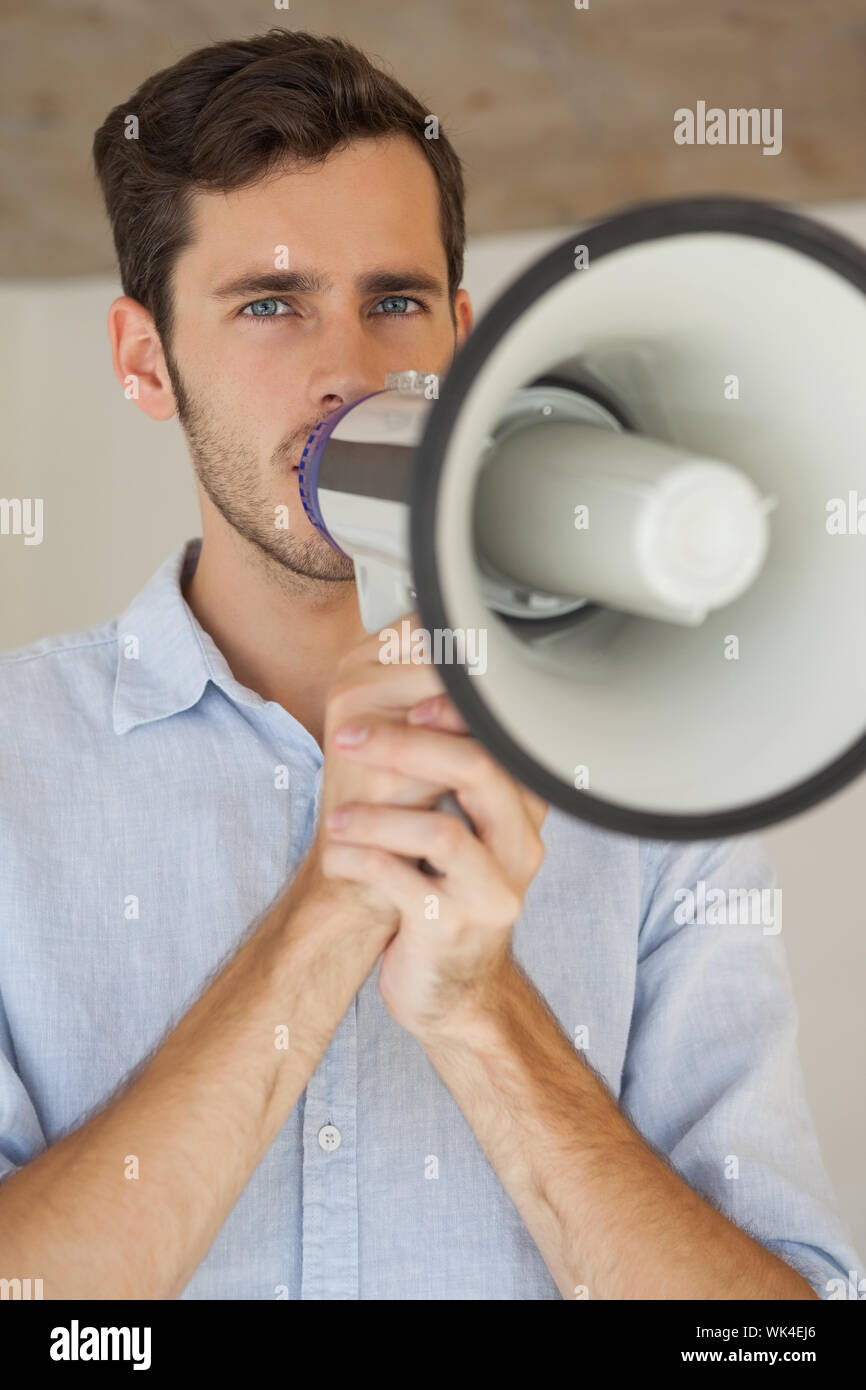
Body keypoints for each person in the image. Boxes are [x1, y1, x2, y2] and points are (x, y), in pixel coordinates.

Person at [0, 28, 859, 1301]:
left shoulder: (652, 778)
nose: (349, 369)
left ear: (460, 333)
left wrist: (479, 1017)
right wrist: (332, 910)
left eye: (393, 301)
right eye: (270, 304)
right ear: (143, 358)